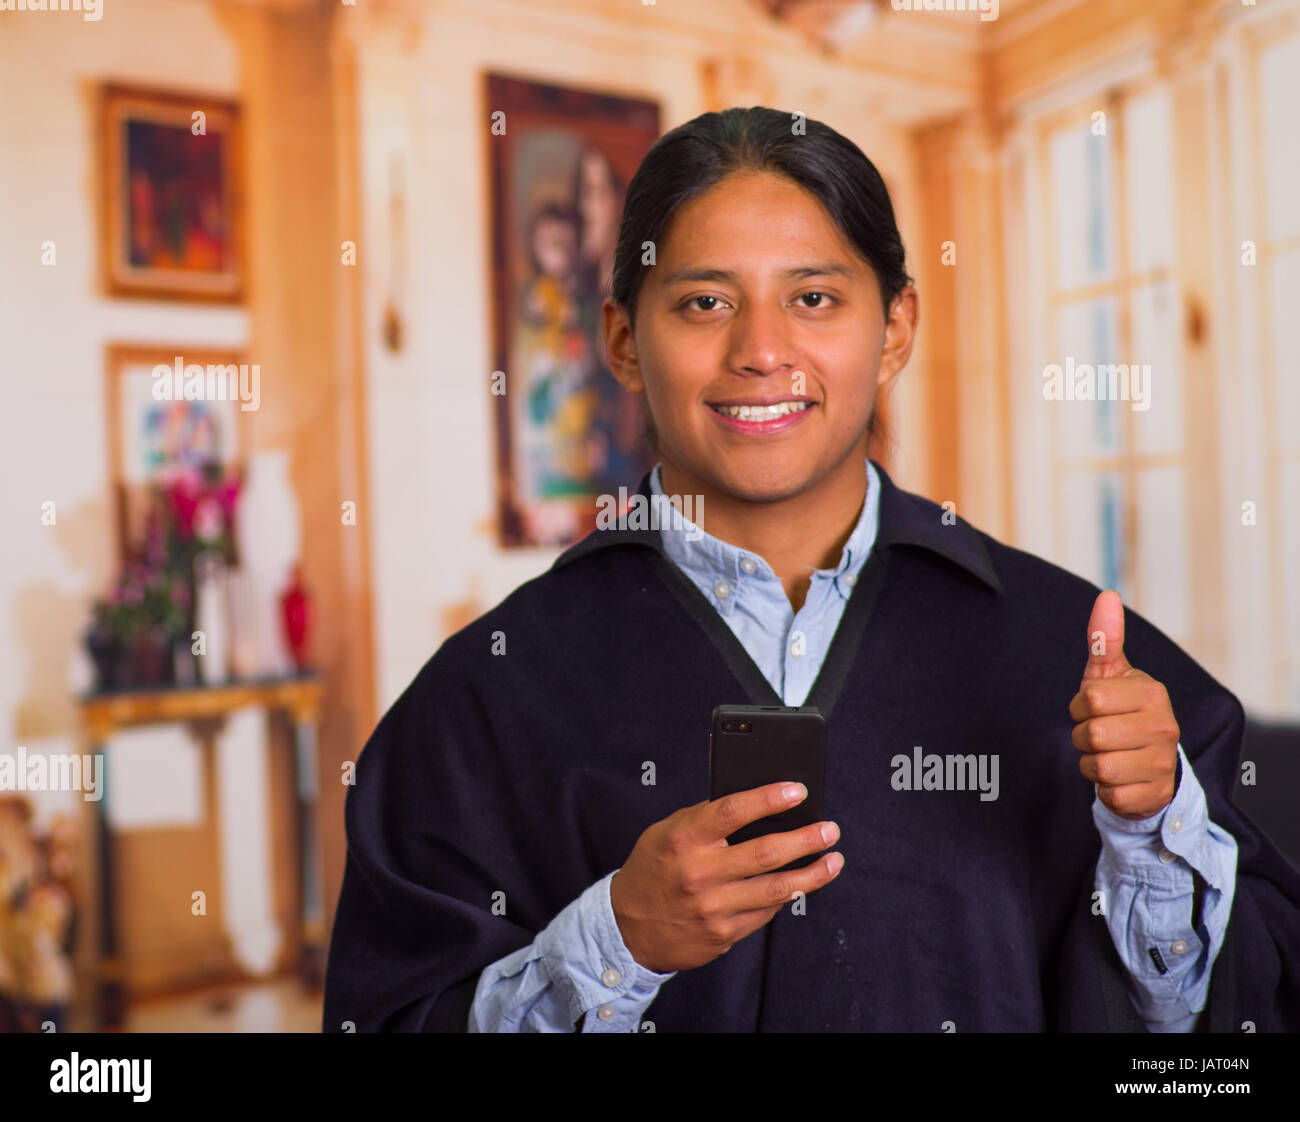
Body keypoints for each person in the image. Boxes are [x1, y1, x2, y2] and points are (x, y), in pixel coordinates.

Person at [321, 106, 1300, 1032]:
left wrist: (1148, 839)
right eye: (704, 301)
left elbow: (1231, 1019)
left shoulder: (1072, 654)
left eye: (813, 298)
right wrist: (614, 942)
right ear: (623, 338)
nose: (760, 351)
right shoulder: (488, 690)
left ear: (896, 329)